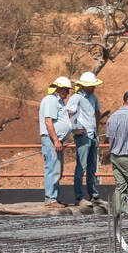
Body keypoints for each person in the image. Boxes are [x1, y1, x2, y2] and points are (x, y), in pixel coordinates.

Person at [66, 72, 103, 205]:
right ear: (84, 86)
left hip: (92, 135)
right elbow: (69, 112)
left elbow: (97, 112)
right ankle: (79, 196)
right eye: (91, 85)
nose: (93, 88)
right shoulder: (76, 97)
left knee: (92, 167)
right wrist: (74, 128)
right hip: (82, 137)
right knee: (81, 166)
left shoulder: (93, 97)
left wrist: (96, 129)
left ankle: (93, 194)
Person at [38, 76, 73, 206]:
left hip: (55, 140)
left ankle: (54, 197)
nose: (68, 93)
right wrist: (56, 140)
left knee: (57, 168)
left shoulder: (59, 102)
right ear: (59, 88)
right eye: (66, 89)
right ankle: (50, 198)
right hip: (51, 140)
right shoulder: (50, 100)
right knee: (52, 167)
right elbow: (48, 121)